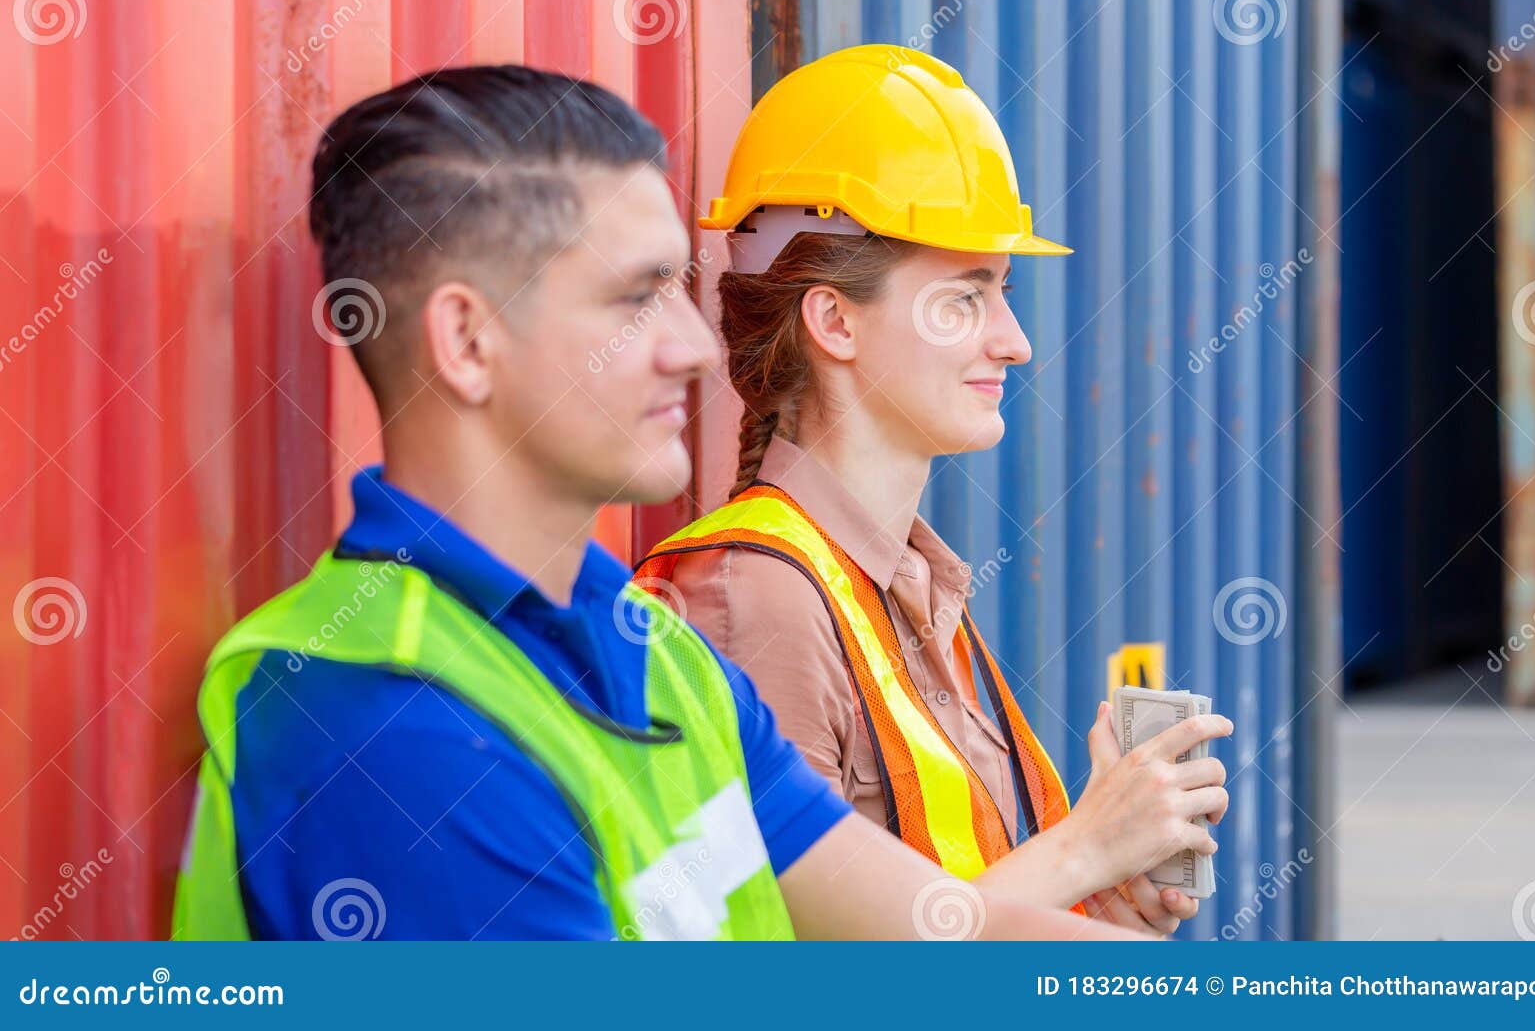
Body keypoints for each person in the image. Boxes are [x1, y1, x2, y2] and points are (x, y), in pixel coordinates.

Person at [169, 63, 1187, 941]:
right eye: (634, 295)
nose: (698, 348)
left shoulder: (652, 658)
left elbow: (934, 932)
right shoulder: (382, 719)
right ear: (466, 343)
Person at [635, 45, 1231, 934]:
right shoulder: (752, 597)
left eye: (1004, 292)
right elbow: (784, 969)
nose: (1015, 340)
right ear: (834, 320)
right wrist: (1084, 846)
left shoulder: (911, 590)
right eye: (966, 297)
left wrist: (1095, 905)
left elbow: (937, 920)